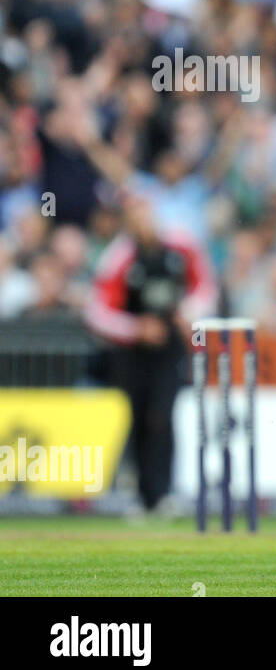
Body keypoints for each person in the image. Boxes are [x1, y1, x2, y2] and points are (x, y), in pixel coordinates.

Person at [83, 193, 217, 514]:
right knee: (138, 418)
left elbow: (205, 287)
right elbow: (98, 311)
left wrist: (189, 312)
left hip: (169, 349)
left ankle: (163, 492)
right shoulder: (118, 256)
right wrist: (136, 328)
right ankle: (142, 496)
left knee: (162, 416)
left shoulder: (181, 245)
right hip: (132, 353)